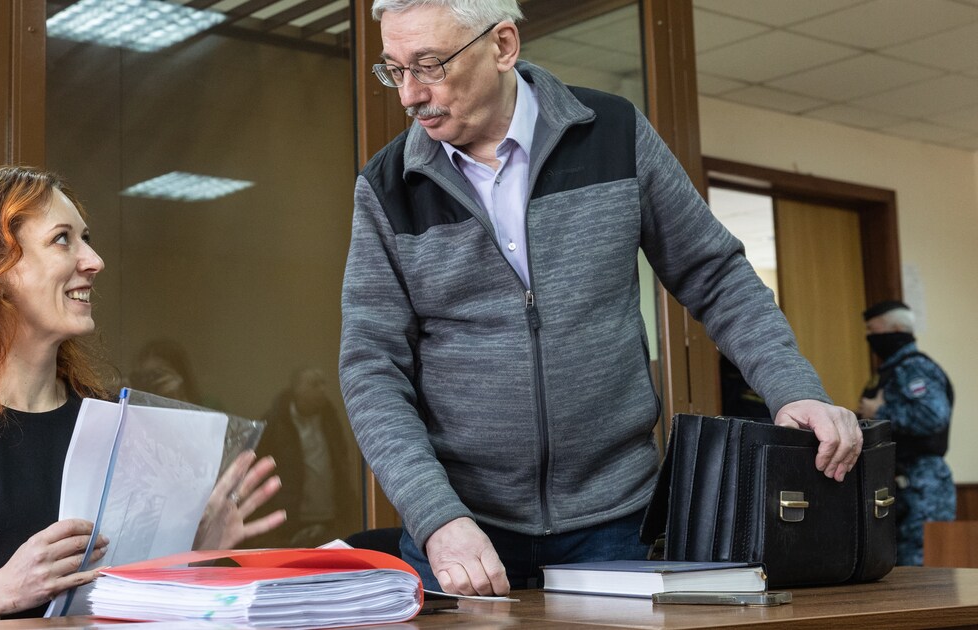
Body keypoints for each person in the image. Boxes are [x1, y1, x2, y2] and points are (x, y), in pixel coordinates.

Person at [339, 0, 862, 596]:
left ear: (503, 45)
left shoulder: (614, 132)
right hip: (462, 531)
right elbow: (371, 369)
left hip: (618, 521)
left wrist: (793, 388)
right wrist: (436, 517)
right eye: (394, 69)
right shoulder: (385, 188)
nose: (409, 94)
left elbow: (715, 274)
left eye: (428, 65)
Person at [0, 167, 286, 627]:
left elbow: (127, 607)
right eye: (63, 239)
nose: (94, 260)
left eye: (85, 238)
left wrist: (190, 549)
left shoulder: (113, 424)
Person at [857, 300, 954, 566]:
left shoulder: (914, 367)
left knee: (925, 571)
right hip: (897, 479)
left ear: (896, 329)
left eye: (872, 329)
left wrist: (880, 411)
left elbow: (933, 416)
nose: (869, 337)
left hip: (923, 483)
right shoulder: (889, 370)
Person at [255, 367, 358, 547]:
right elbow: (260, 468)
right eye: (314, 384)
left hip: (330, 516)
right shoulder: (274, 422)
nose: (322, 389)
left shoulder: (330, 420)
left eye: (323, 383)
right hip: (291, 519)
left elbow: (341, 461)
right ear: (297, 388)